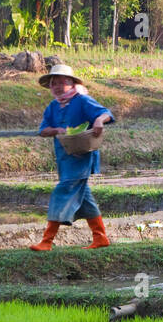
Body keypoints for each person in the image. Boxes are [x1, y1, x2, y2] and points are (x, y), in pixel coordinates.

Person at [30, 64, 115, 251]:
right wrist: (57, 130)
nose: (57, 86)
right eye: (54, 83)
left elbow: (105, 113)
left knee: (62, 191)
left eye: (61, 82)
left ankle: (47, 241)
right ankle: (100, 237)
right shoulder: (53, 106)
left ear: (71, 83)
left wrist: (99, 121)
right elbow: (43, 131)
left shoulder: (82, 100)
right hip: (64, 158)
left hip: (81, 156)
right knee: (85, 198)